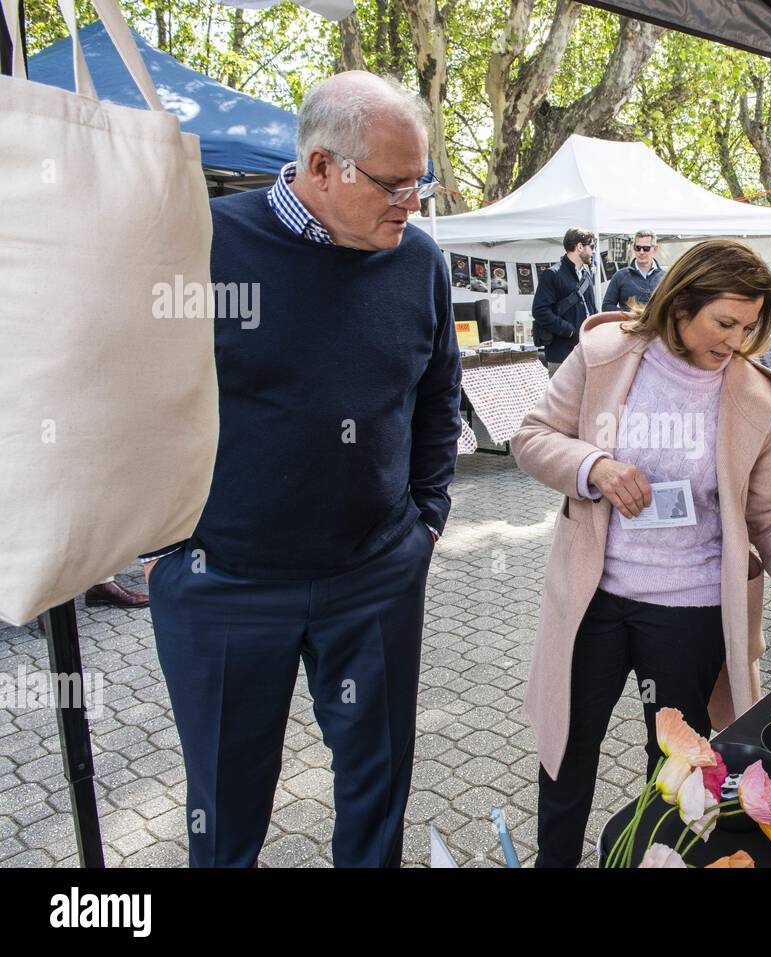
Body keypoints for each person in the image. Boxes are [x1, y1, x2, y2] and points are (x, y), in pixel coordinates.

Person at [142, 72, 461, 868]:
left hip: (376, 576)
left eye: (420, 183)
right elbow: (134, 395)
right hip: (224, 583)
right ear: (323, 168)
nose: (411, 203)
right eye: (395, 184)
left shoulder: (419, 262)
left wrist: (425, 522)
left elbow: (438, 397)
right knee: (226, 799)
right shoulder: (200, 243)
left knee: (377, 788)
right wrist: (164, 540)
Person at [512, 238, 771, 868]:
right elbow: (533, 437)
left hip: (690, 611)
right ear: (679, 305)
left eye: (749, 327)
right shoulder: (602, 357)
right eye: (723, 323)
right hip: (596, 599)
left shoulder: (755, 396)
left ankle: (656, 863)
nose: (734, 341)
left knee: (677, 767)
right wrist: (592, 466)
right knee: (568, 748)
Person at [532, 226, 597, 373]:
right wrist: (570, 331)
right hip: (561, 353)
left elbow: (592, 310)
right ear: (580, 247)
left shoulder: (586, 275)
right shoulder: (552, 274)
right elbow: (540, 311)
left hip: (586, 351)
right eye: (591, 246)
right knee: (562, 397)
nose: (593, 251)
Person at [602, 229, 664, 312]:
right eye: (637, 248)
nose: (641, 252)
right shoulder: (620, 276)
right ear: (632, 248)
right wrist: (627, 313)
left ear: (655, 249)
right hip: (629, 324)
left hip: (655, 325)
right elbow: (606, 306)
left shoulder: (665, 277)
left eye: (646, 248)